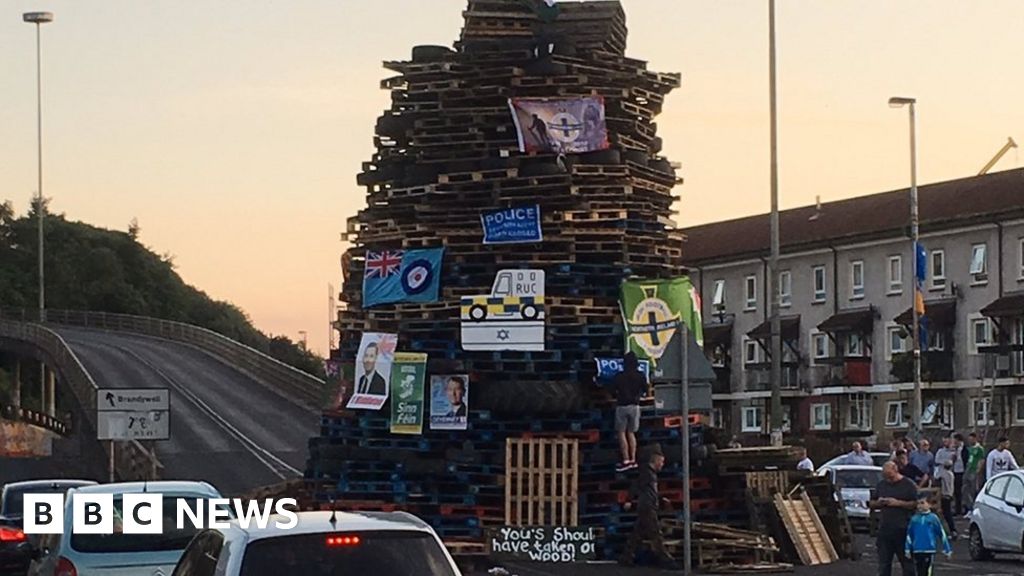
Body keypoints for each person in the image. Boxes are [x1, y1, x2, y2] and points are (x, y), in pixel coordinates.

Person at [620, 447, 679, 570]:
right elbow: (635, 486)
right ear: (656, 461)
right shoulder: (647, 473)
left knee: (637, 534)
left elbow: (650, 491)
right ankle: (666, 560)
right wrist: (629, 500)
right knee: (655, 534)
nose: (662, 465)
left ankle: (626, 556)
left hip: (648, 505)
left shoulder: (651, 474)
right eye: (661, 462)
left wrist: (661, 498)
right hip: (647, 506)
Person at [871, 461, 920, 576]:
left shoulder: (908, 485)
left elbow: (916, 504)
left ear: (895, 470)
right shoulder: (881, 485)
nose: (889, 480)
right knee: (884, 564)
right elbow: (872, 502)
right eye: (886, 477)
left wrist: (898, 503)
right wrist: (879, 502)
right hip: (885, 529)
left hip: (903, 529)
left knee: (907, 564)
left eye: (890, 477)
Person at [612, 352, 647, 472]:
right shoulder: (641, 375)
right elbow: (645, 390)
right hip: (635, 406)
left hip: (622, 406)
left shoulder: (619, 376)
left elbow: (612, 390)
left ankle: (625, 460)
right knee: (631, 433)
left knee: (621, 433)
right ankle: (633, 459)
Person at [905, 497, 952, 576]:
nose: (920, 506)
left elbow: (941, 533)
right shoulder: (914, 519)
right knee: (919, 571)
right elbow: (909, 535)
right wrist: (907, 549)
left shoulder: (933, 518)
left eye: (922, 503)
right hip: (917, 550)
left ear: (929, 505)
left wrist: (947, 549)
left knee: (928, 572)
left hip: (929, 550)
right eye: (918, 503)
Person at [962, 433, 985, 516]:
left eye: (971, 439)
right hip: (968, 469)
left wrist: (978, 470)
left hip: (974, 471)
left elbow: (981, 460)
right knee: (966, 489)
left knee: (973, 490)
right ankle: (969, 508)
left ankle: (974, 509)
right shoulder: (969, 448)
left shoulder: (979, 449)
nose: (970, 441)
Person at [935, 460, 958, 539]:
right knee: (947, 514)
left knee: (946, 514)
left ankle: (951, 530)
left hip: (944, 495)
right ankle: (951, 530)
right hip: (950, 494)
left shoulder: (943, 473)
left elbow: (936, 478)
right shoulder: (951, 474)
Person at [951, 433, 966, 514]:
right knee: (956, 491)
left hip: (962, 471)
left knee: (961, 491)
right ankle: (957, 509)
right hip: (955, 471)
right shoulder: (955, 449)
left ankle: (961, 508)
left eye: (955, 441)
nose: (954, 442)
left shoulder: (963, 449)